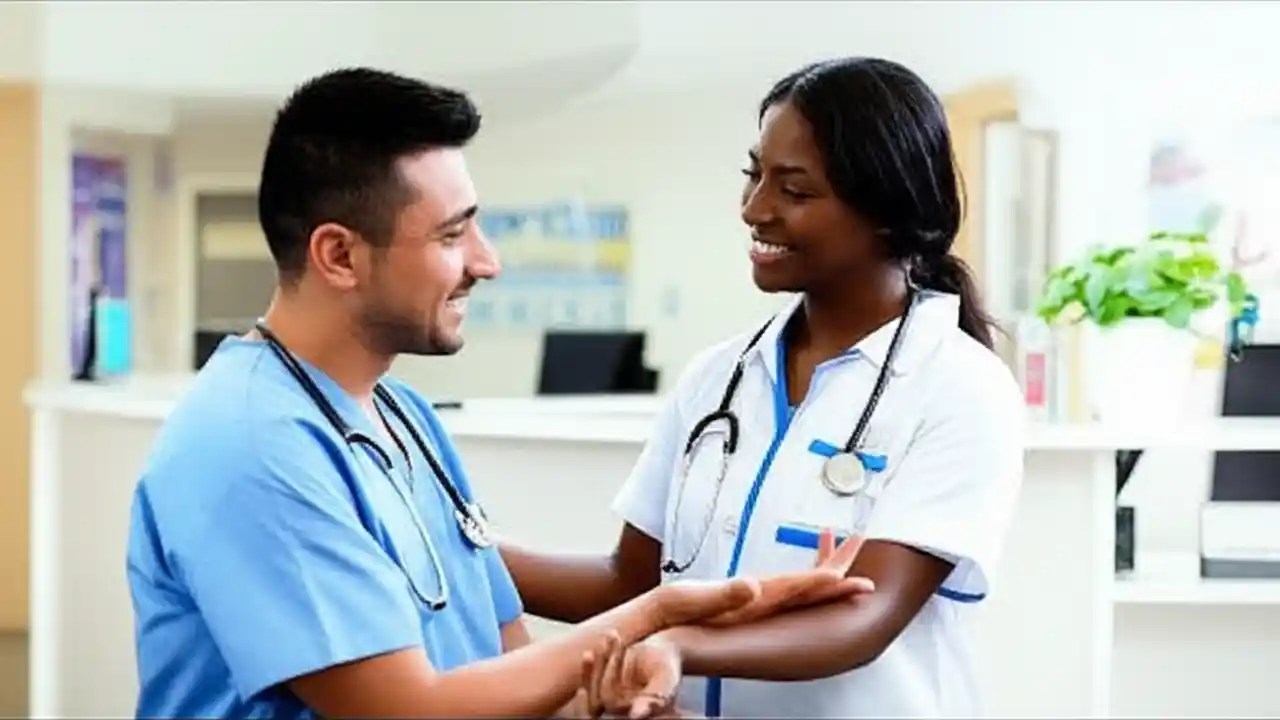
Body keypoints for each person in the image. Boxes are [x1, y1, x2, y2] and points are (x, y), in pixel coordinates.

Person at [123, 67, 867, 720]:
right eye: (452, 236)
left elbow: (509, 672)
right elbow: (406, 708)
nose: (488, 262)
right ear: (339, 255)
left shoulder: (404, 419)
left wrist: (629, 695)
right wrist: (657, 615)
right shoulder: (250, 446)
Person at [500, 56, 1026, 718]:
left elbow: (866, 617)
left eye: (795, 191)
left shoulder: (959, 387)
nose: (755, 209)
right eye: (754, 177)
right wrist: (445, 549)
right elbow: (629, 582)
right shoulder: (717, 379)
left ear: (886, 210)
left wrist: (679, 646)